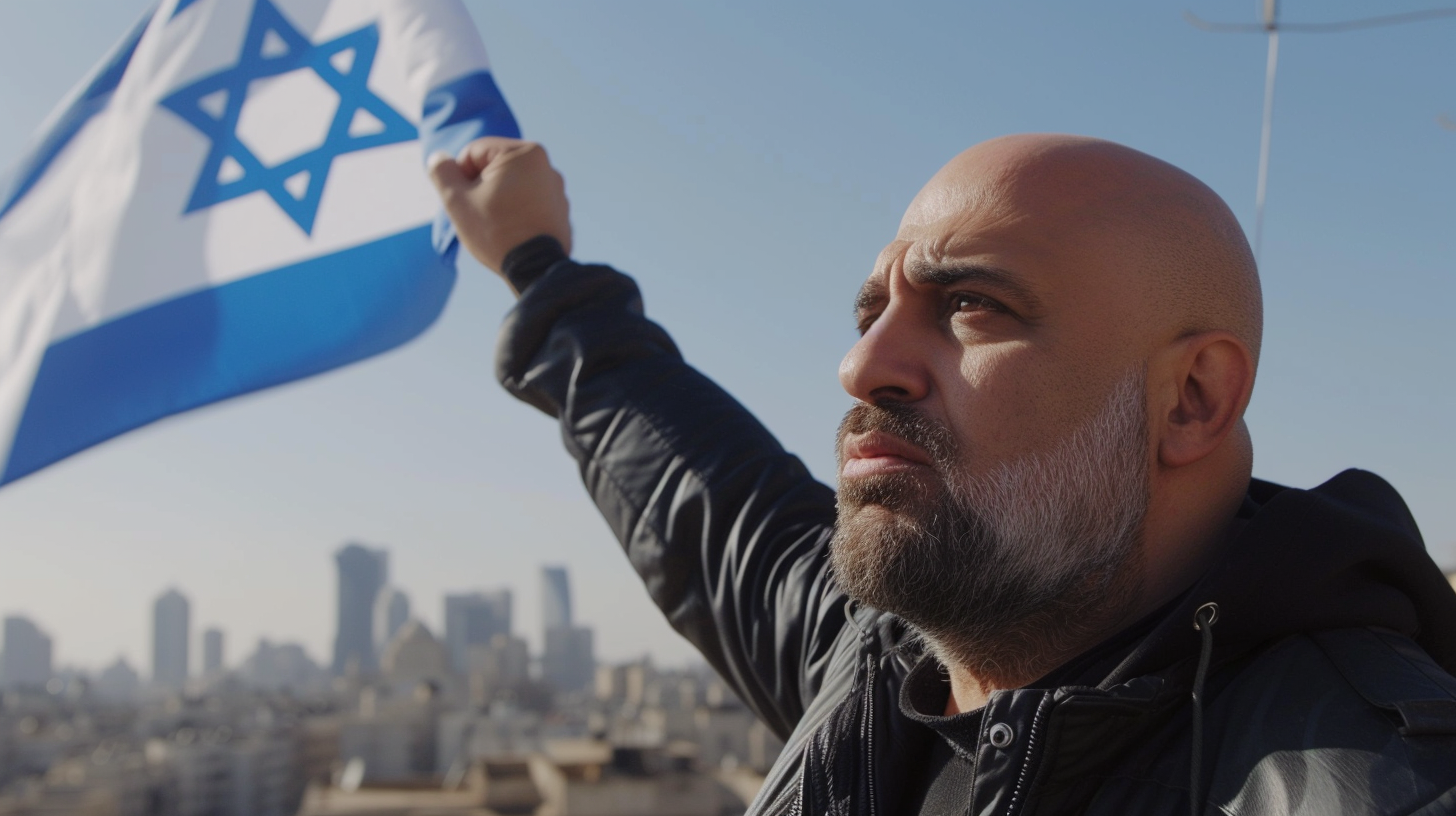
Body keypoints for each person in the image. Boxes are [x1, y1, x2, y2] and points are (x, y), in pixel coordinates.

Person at [428, 133, 1456, 815]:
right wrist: (539, 268)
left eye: (971, 306)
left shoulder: (1379, 788)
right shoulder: (875, 675)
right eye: (870, 310)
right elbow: (703, 498)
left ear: (1189, 398)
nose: (861, 366)